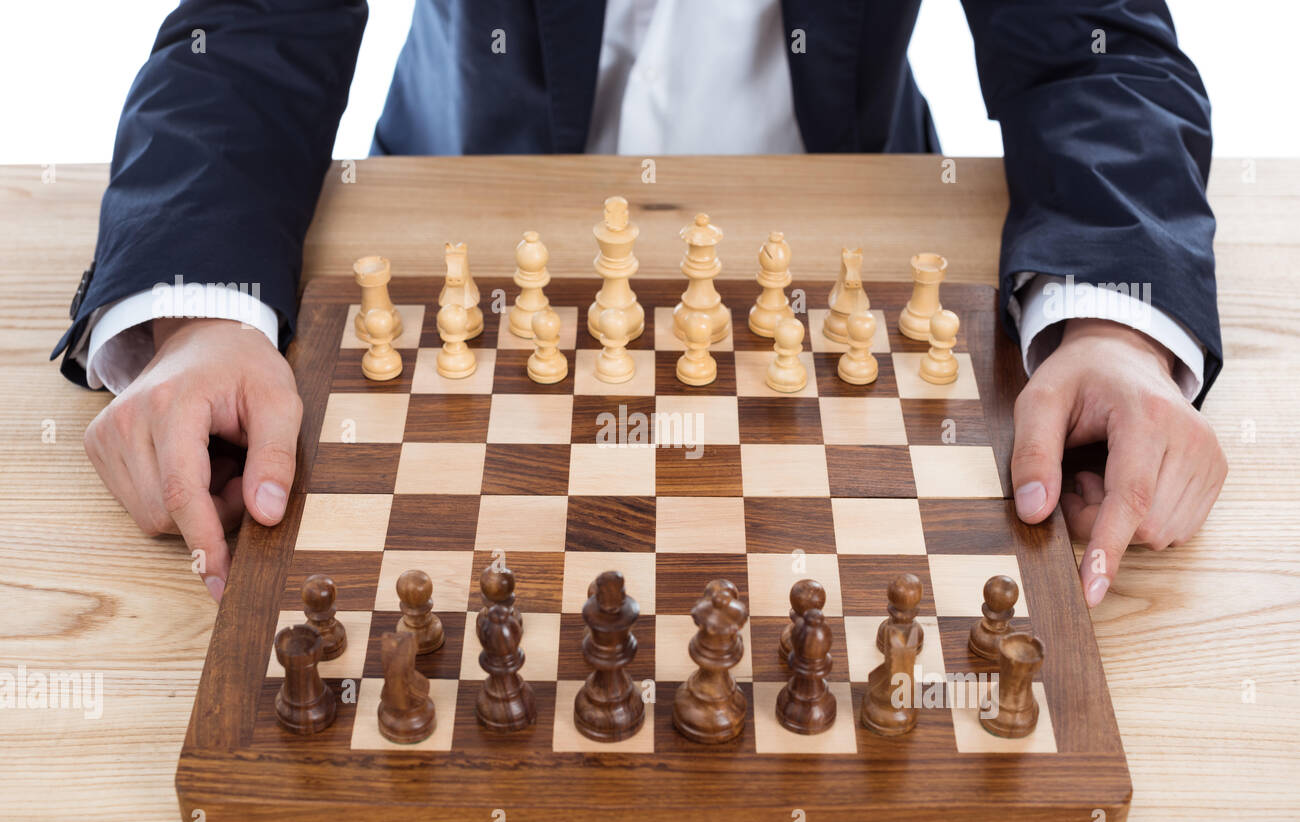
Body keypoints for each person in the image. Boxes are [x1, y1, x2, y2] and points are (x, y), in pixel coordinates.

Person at [54, 0, 1227, 605]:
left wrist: (1116, 327)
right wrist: (200, 314)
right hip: (463, 238)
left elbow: (1093, 44)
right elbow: (249, 29)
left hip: (842, 249)